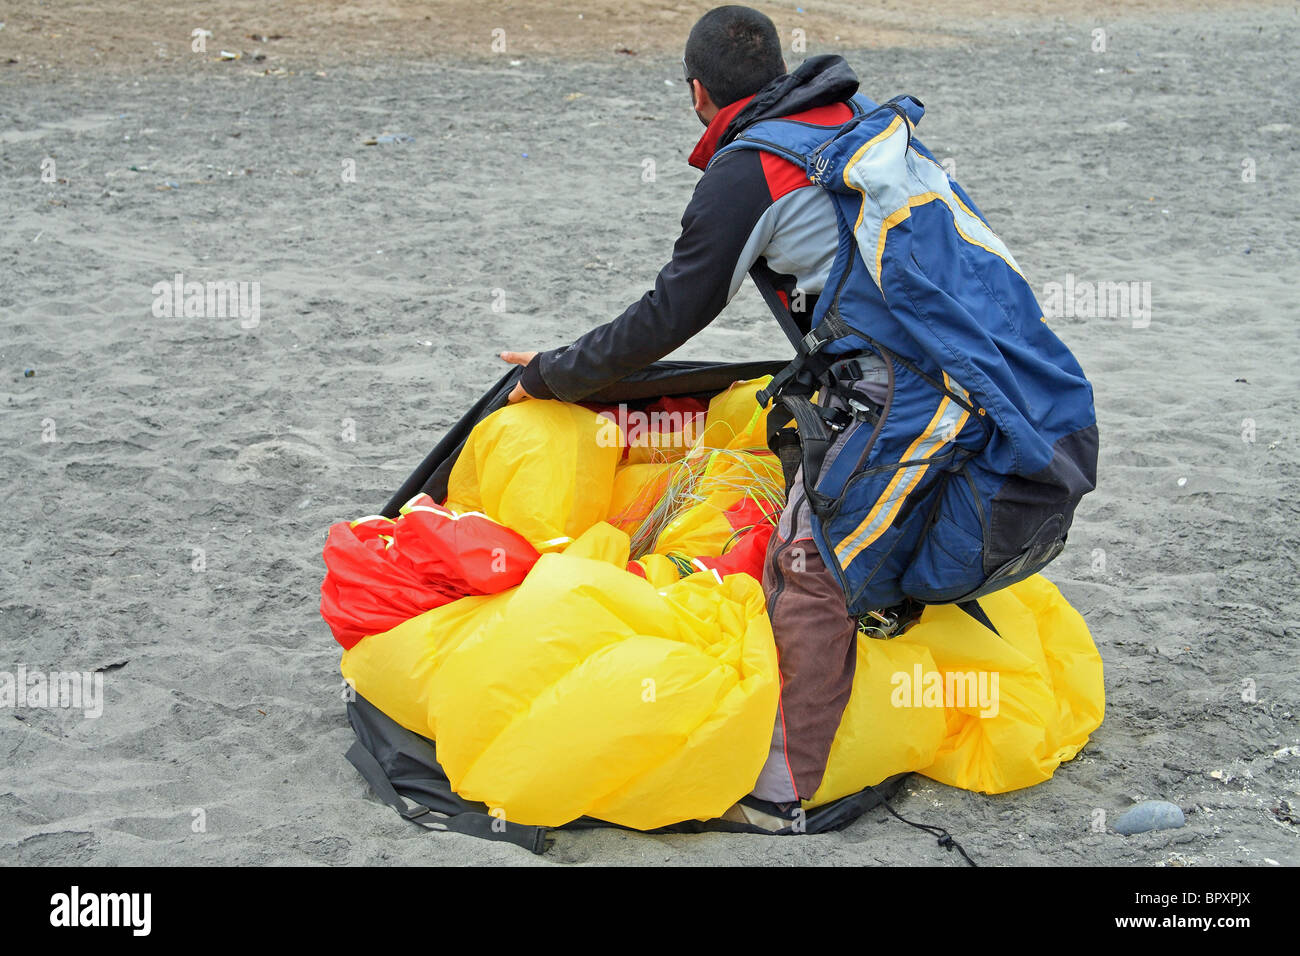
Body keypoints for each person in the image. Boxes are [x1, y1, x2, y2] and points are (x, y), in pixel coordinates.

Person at [497, 5, 1094, 829]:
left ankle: (783, 794)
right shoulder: (851, 124)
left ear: (697, 92)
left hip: (914, 387)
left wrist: (548, 377)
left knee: (816, 559)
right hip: (991, 356)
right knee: (846, 533)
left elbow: (673, 312)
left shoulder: (749, 174)